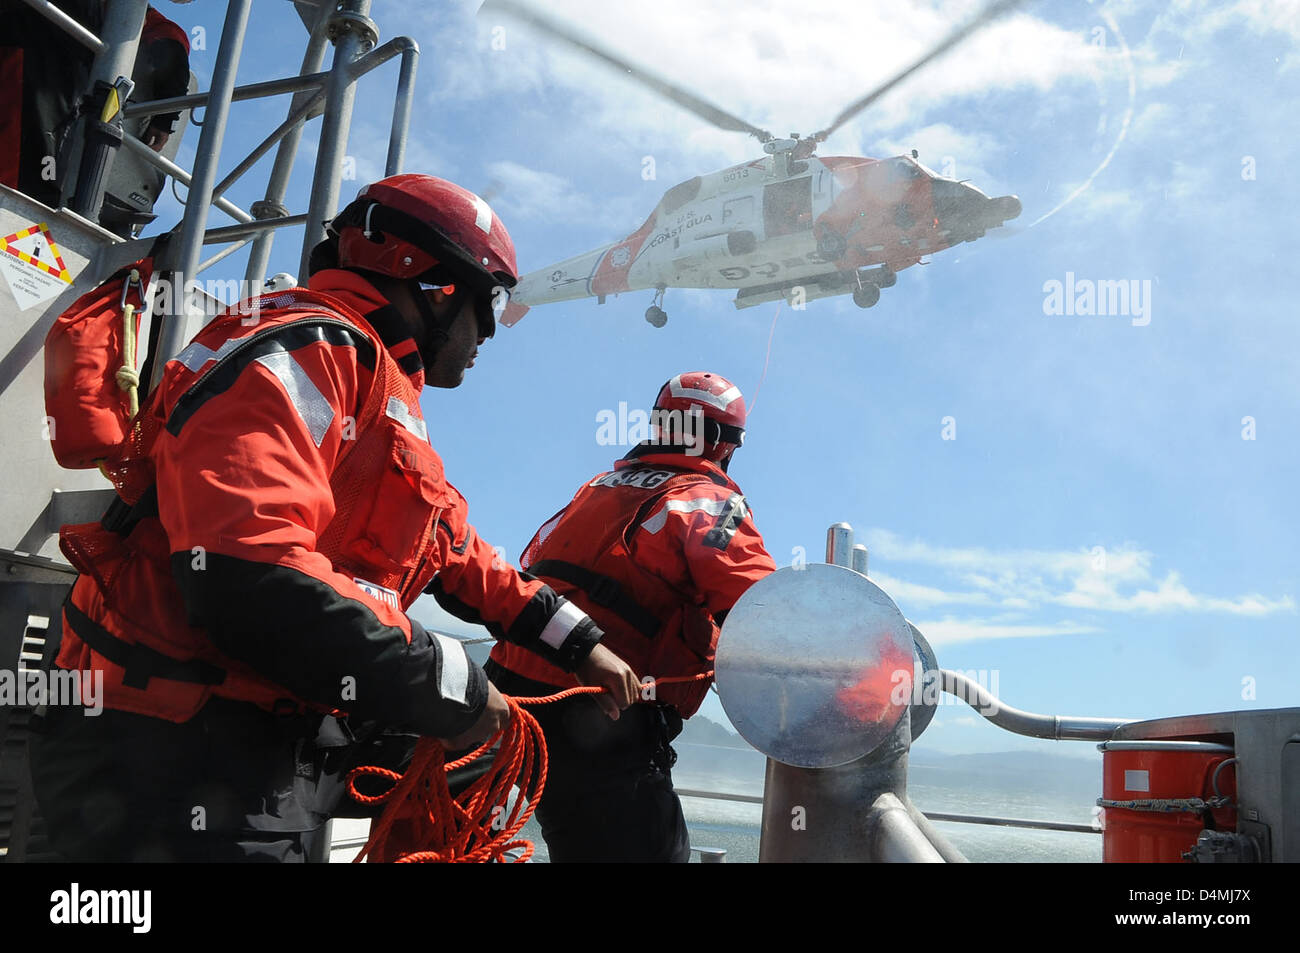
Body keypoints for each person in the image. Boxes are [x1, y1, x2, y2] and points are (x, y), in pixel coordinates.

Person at [31, 173, 639, 862]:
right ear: (432, 285)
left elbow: (461, 555)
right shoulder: (311, 350)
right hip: (164, 748)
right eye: (486, 300)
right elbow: (246, 572)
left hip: (242, 735)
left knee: (472, 748)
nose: (491, 331)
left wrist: (582, 641)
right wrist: (455, 684)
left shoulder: (379, 390)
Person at [485, 372, 776, 862]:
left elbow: (534, 558)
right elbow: (762, 616)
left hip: (507, 700)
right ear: (725, 445)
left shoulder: (595, 487)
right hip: (601, 716)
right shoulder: (709, 502)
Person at [1, 2, 192, 211]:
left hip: (31, 46)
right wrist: (164, 119)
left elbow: (170, 43)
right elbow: (170, 43)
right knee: (26, 171)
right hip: (32, 51)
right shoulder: (128, 14)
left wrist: (165, 117)